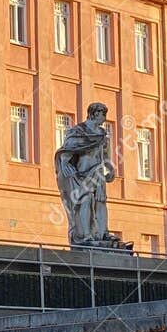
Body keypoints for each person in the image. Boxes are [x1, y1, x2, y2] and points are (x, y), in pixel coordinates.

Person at [55, 103, 117, 247]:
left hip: (98, 173)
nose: (104, 119)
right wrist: (64, 163)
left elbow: (105, 156)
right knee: (86, 200)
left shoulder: (102, 135)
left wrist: (111, 169)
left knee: (101, 202)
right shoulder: (79, 131)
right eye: (103, 115)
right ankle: (85, 236)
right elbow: (67, 149)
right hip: (82, 174)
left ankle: (103, 233)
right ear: (95, 114)